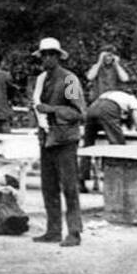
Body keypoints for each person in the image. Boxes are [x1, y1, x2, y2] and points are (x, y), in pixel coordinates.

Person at [30, 37, 86, 246]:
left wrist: (52, 110)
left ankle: (74, 232)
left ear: (57, 56)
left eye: (51, 54)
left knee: (69, 187)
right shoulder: (41, 80)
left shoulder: (70, 80)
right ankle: (53, 230)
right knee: (49, 186)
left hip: (65, 139)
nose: (46, 59)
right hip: (47, 138)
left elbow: (79, 112)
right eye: (43, 55)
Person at [78, 89, 137, 190]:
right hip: (107, 109)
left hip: (92, 108)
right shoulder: (132, 99)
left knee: (88, 147)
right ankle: (118, 178)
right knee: (118, 145)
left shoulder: (112, 94)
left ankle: (81, 180)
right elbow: (135, 119)